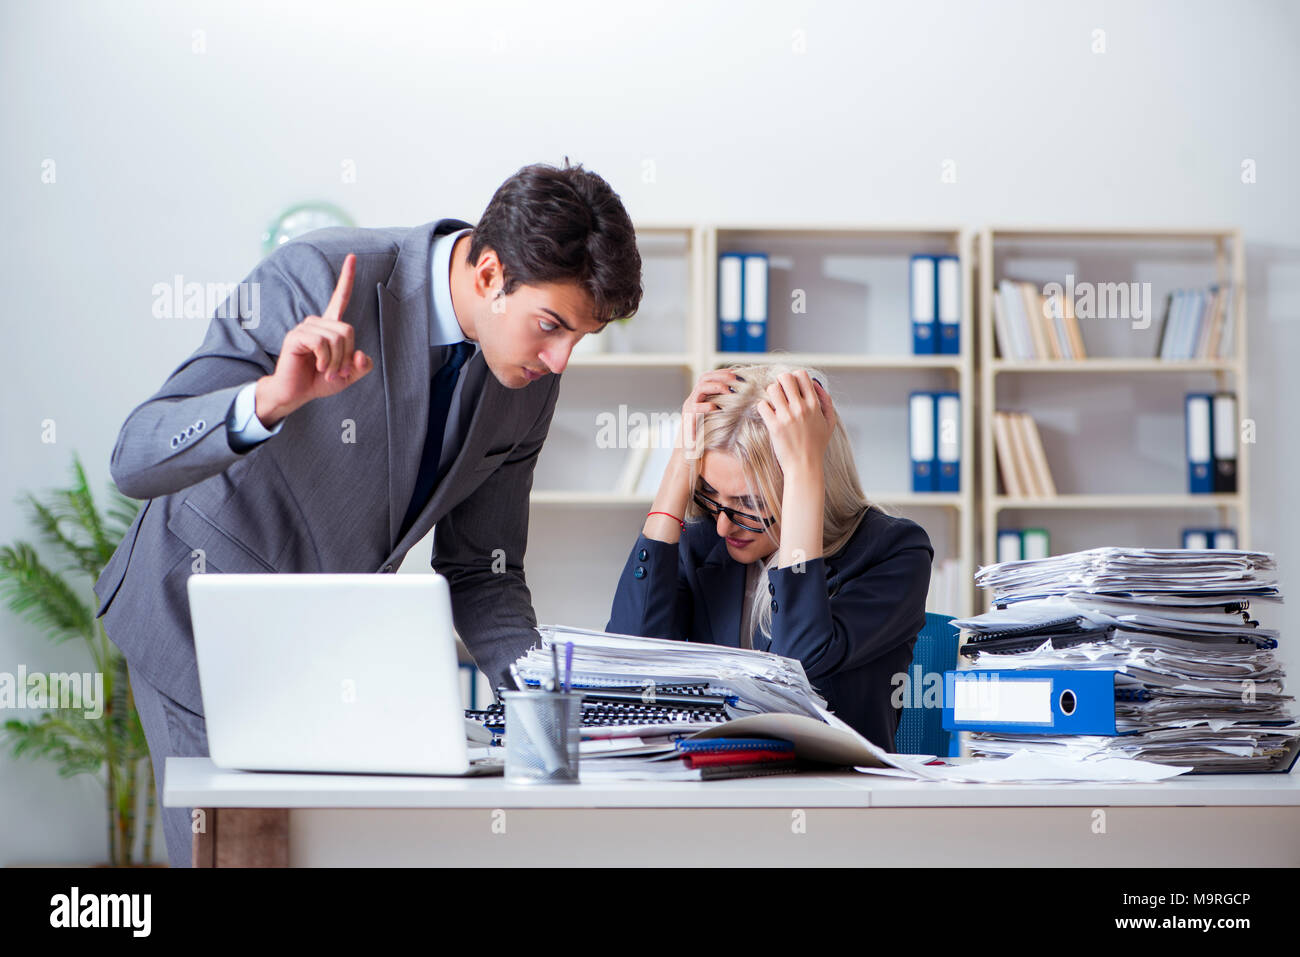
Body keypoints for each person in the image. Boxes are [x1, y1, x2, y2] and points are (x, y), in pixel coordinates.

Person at [94, 160, 643, 866]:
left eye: (582, 338)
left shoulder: (526, 382)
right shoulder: (317, 276)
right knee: (236, 854)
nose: (562, 359)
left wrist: (546, 699)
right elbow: (135, 457)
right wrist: (267, 401)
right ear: (488, 276)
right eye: (552, 325)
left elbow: (483, 568)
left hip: (323, 658)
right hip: (196, 626)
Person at [607, 364, 933, 750]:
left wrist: (804, 475)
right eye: (711, 496)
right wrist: (680, 465)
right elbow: (629, 662)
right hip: (712, 788)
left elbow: (798, 668)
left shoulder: (893, 551)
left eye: (750, 505)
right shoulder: (702, 543)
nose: (725, 527)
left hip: (834, 794)